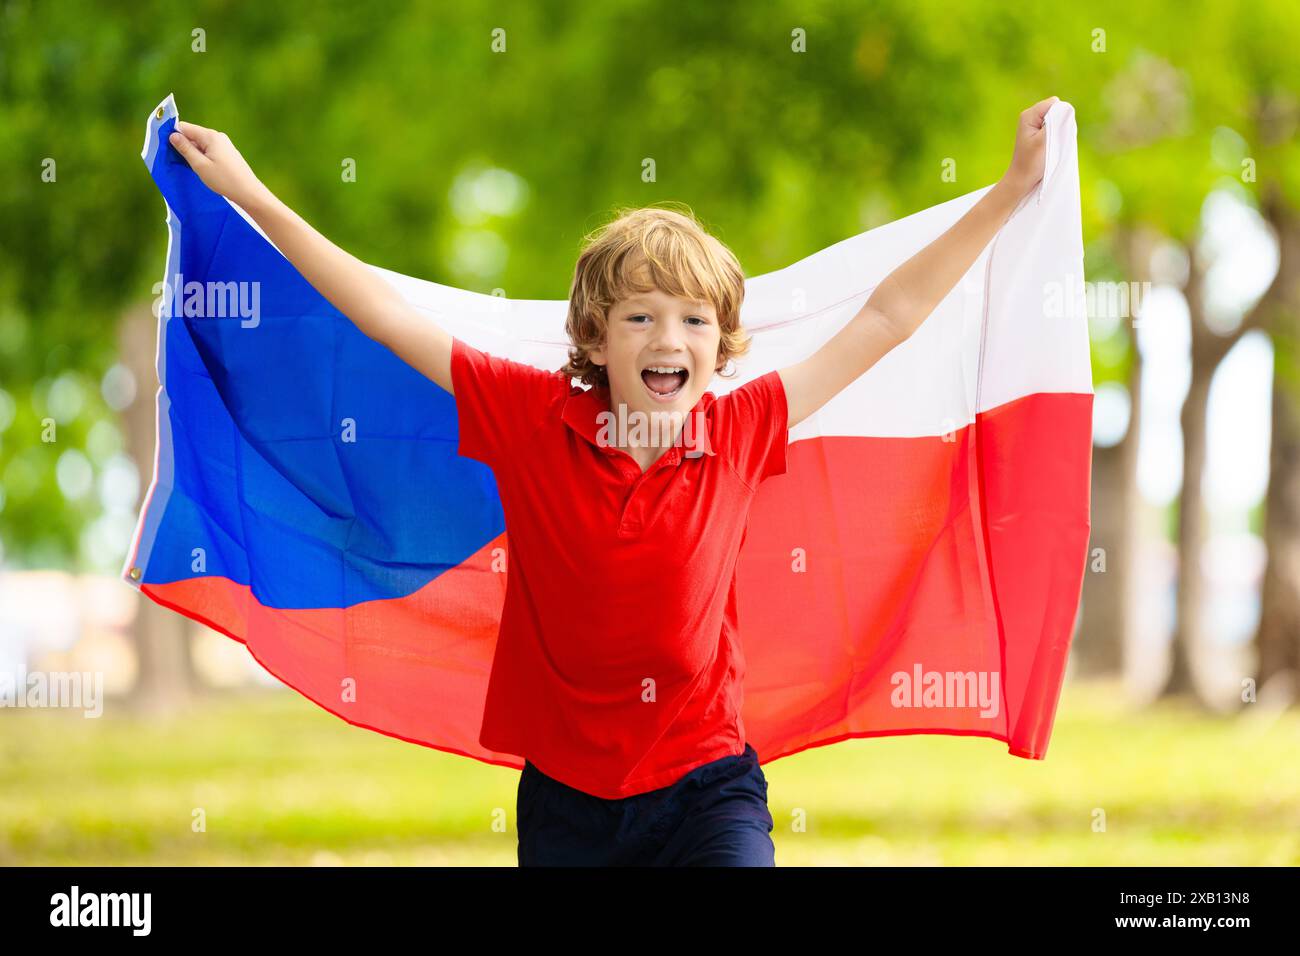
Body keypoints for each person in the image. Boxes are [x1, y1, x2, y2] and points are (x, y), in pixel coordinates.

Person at [165, 94, 1054, 866]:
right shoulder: (528, 414)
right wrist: (248, 192)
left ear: (720, 346)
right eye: (640, 316)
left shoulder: (740, 428)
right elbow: (380, 311)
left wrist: (1010, 191)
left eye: (694, 320)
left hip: (707, 786)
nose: (668, 339)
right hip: (569, 804)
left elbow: (890, 315)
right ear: (594, 338)